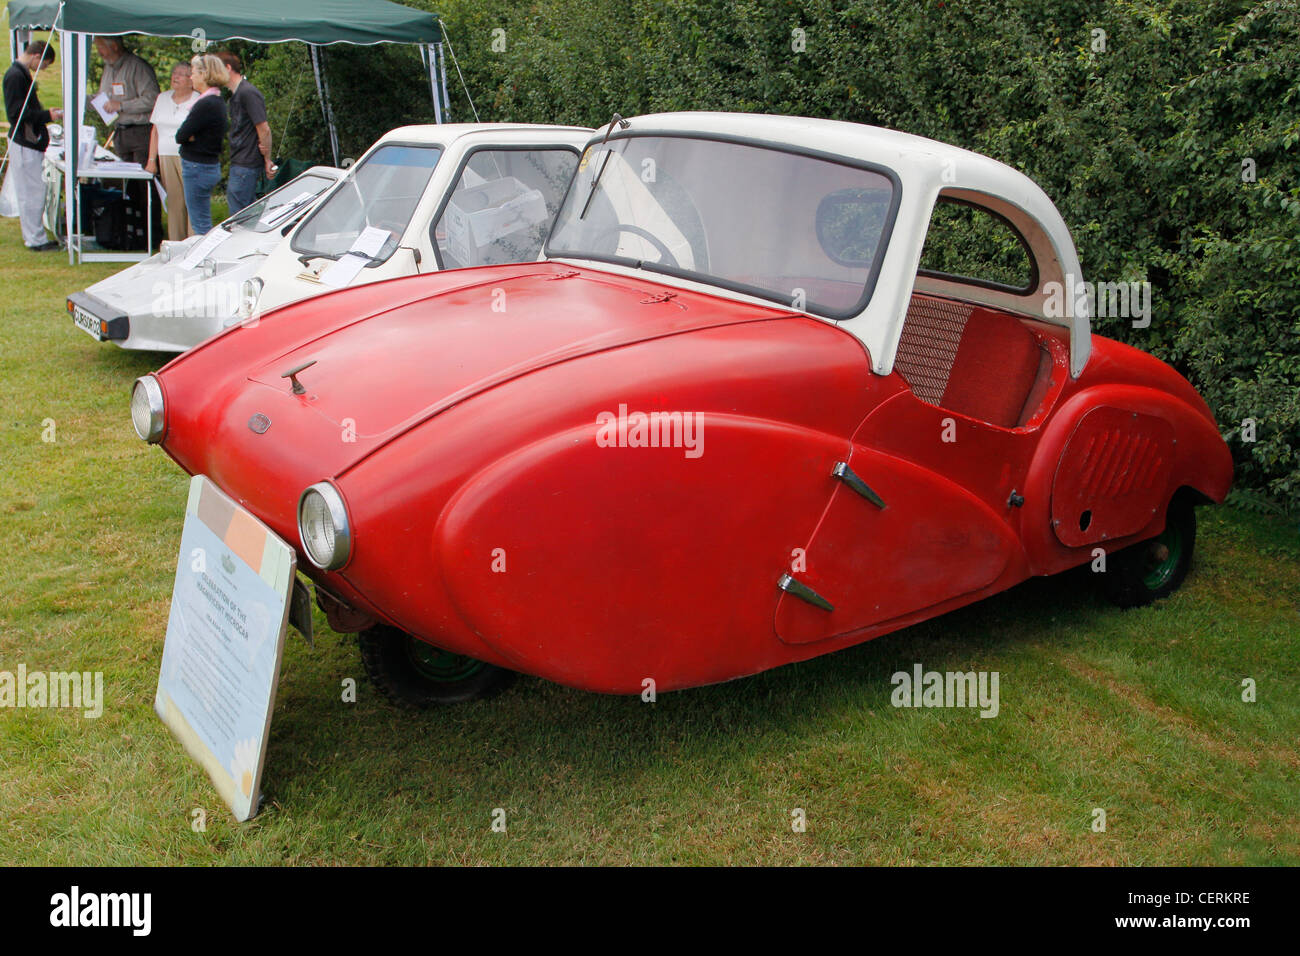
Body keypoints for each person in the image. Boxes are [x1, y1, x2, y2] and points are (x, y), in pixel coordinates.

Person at [95, 36, 162, 246]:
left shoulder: (137, 67)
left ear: (114, 46)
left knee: (145, 187)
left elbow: (152, 98)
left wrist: (121, 105)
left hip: (141, 132)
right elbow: (104, 97)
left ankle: (152, 234)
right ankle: (132, 233)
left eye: (101, 48)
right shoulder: (109, 68)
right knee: (129, 186)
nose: (99, 53)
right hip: (121, 132)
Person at [3, 41, 62, 251]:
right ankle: (35, 239)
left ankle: (35, 235)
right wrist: (48, 116)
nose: (42, 69)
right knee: (31, 190)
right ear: (36, 56)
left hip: (28, 141)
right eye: (43, 65)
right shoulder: (15, 76)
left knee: (34, 188)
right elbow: (16, 114)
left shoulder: (20, 74)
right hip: (24, 141)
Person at [174, 54, 228, 235]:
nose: (191, 77)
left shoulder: (205, 104)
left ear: (205, 75)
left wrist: (191, 136)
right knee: (201, 218)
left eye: (194, 72)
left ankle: (204, 258)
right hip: (207, 165)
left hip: (197, 166)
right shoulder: (217, 101)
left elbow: (181, 135)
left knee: (200, 223)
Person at [145, 63, 198, 240]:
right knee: (175, 201)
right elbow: (155, 130)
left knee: (192, 199)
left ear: (191, 80)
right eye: (174, 73)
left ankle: (193, 240)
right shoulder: (162, 98)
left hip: (189, 155)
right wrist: (151, 160)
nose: (175, 77)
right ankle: (175, 241)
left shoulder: (197, 99)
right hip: (165, 154)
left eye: (182, 74)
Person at [216, 51, 273, 214]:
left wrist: (267, 158)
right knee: (247, 213)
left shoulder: (248, 92)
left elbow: (263, 128)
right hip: (240, 163)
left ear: (228, 68)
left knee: (241, 217)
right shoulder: (236, 95)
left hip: (246, 164)